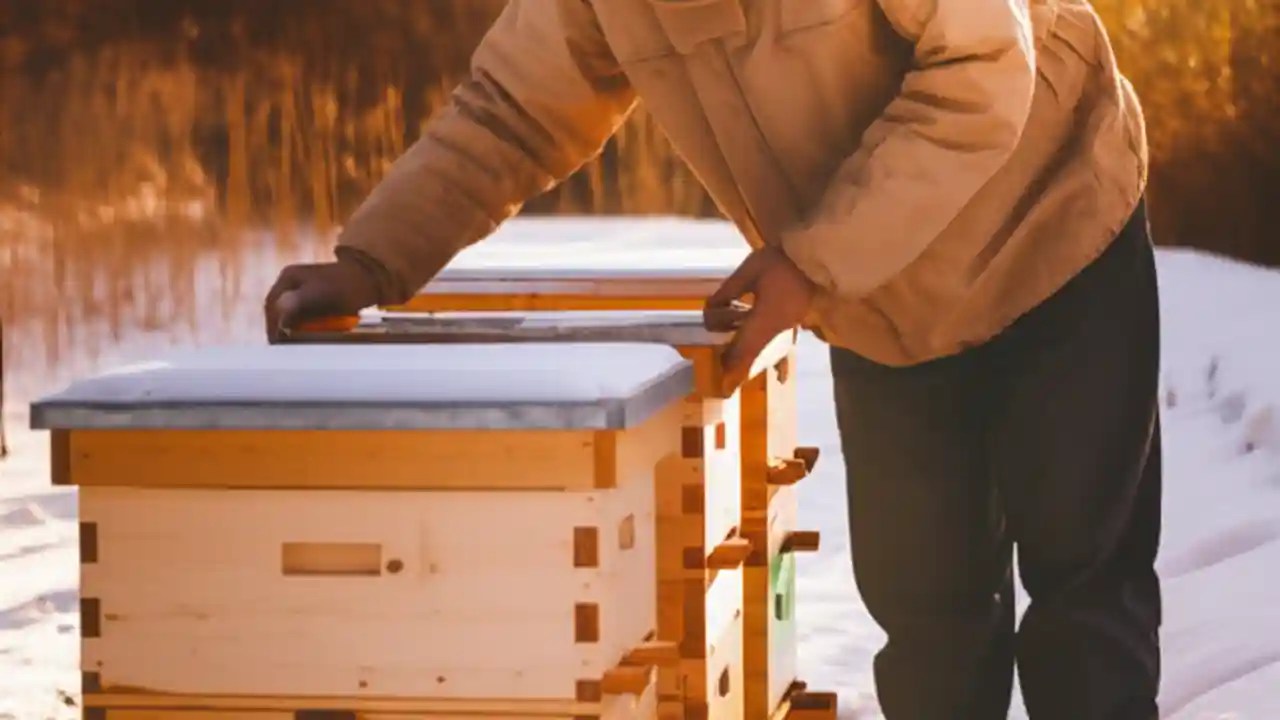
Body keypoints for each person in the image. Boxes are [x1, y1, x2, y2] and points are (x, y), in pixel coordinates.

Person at [264, 1, 1161, 717]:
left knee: (1084, 607)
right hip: (877, 298)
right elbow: (512, 111)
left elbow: (981, 69)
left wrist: (812, 261)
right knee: (930, 625)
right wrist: (371, 261)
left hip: (1055, 232)